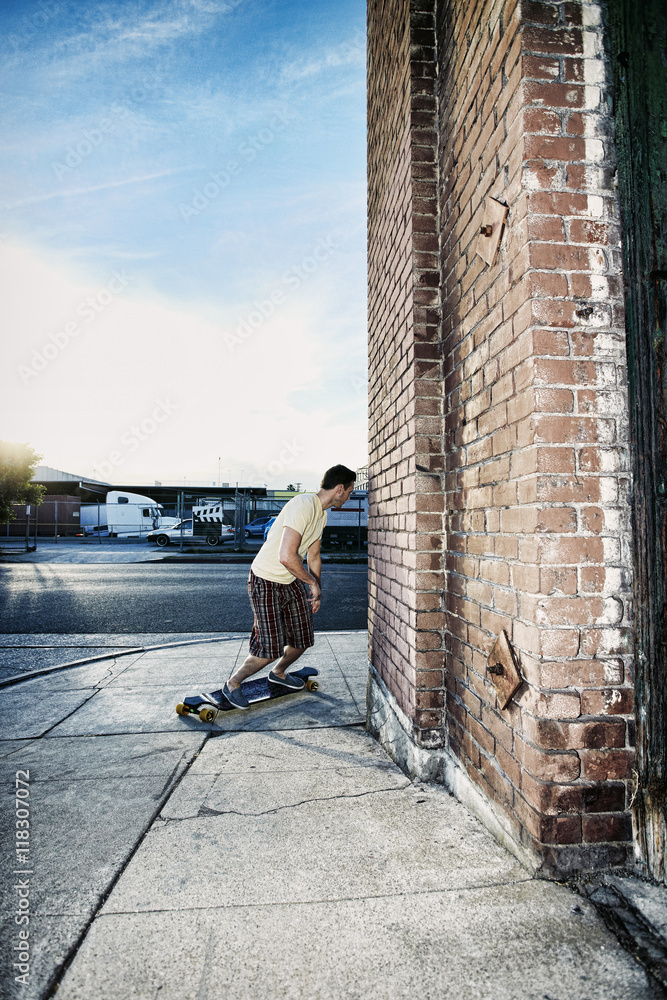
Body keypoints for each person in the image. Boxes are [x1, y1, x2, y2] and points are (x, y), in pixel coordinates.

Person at [220, 464, 356, 710]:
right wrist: (311, 582)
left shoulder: (321, 515)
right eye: (349, 491)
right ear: (339, 489)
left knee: (303, 637)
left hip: (290, 579)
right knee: (269, 648)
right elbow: (286, 555)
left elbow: (313, 556)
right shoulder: (303, 505)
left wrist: (317, 590)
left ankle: (279, 673)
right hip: (266, 579)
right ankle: (233, 684)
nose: (349, 496)